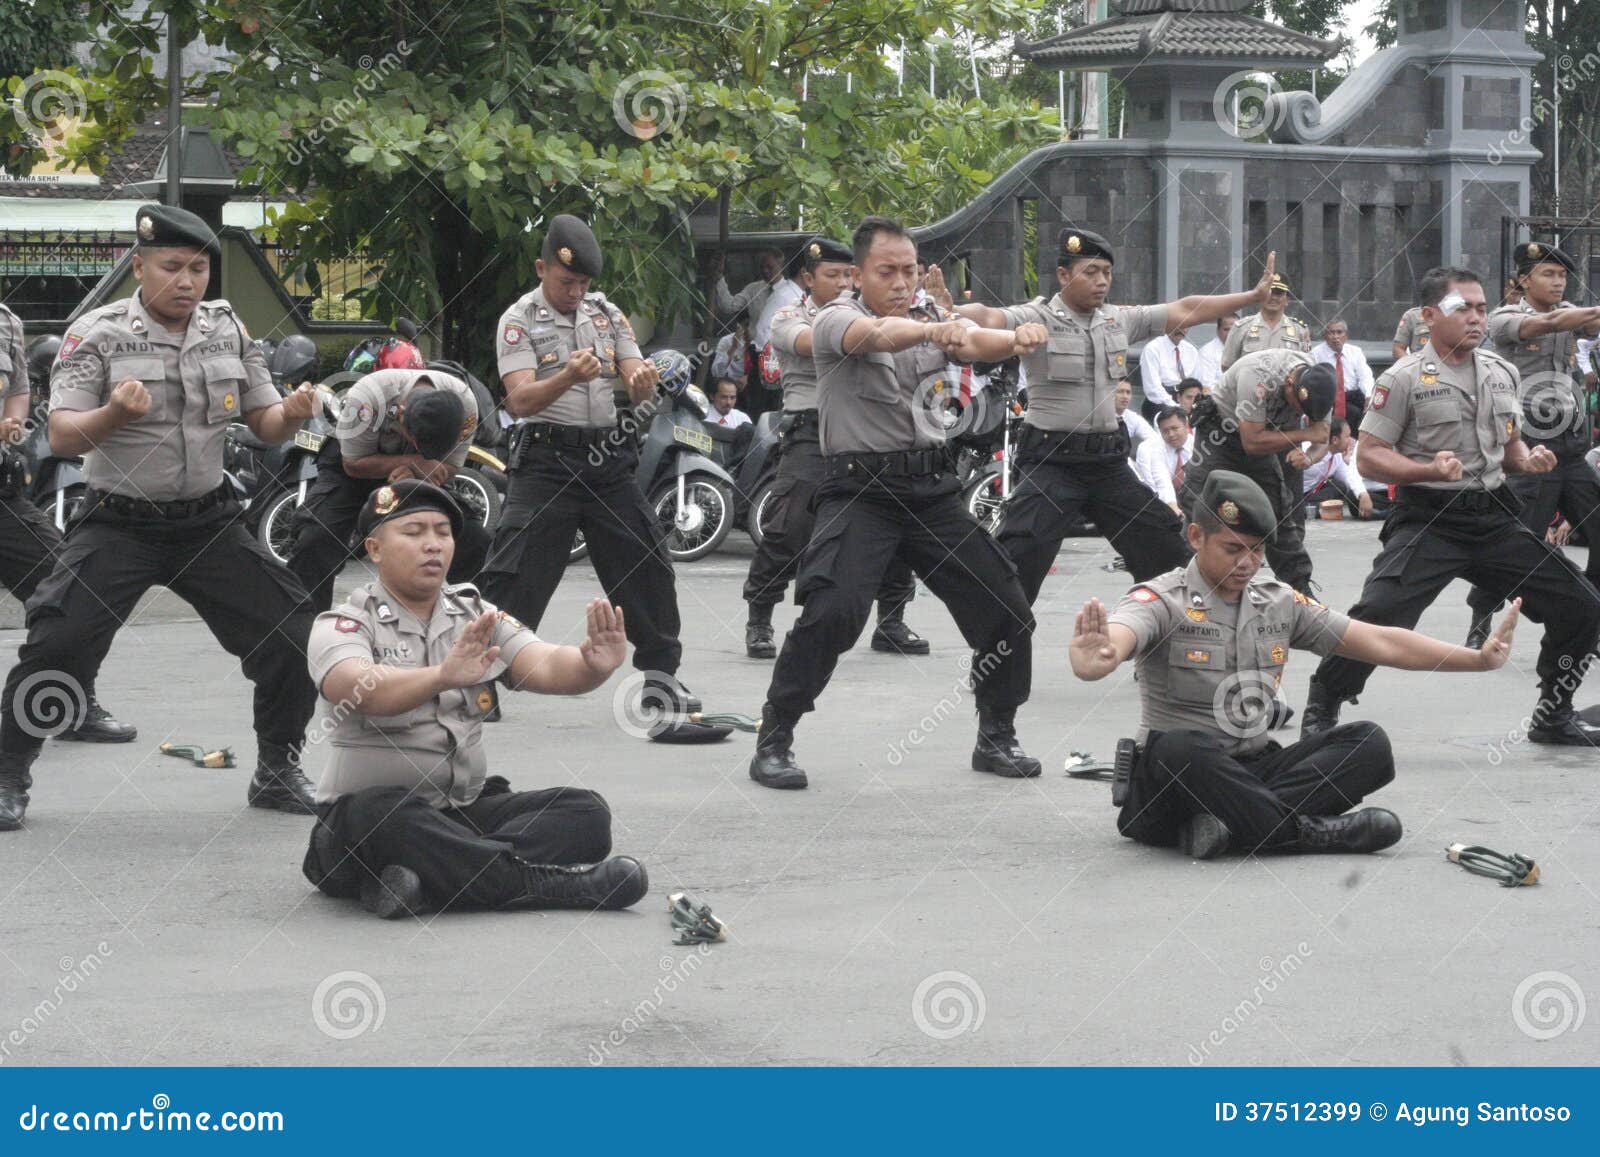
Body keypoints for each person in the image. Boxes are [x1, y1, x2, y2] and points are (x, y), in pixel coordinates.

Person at [0, 204, 324, 830]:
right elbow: (64, 437)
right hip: (118, 523)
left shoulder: (227, 329)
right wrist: (114, 417)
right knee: (60, 643)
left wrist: (295, 410)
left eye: (199, 268)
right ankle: (8, 772)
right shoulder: (96, 333)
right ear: (139, 266)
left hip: (207, 523)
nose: (187, 280)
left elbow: (263, 421)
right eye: (172, 266)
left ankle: (278, 769)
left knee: (293, 635)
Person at [1070, 470, 1520, 859]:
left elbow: (1380, 641)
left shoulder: (1278, 601)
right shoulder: (1161, 600)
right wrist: (1097, 657)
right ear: (1195, 536)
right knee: (1180, 748)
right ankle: (1303, 832)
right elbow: (1120, 634)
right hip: (1174, 785)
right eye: (1233, 549)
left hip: (1249, 770)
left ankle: (1237, 825)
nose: (1248, 562)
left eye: (1258, 549)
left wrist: (1476, 661)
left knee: (1369, 744)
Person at [748, 216, 1041, 790]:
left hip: (932, 492)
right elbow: (876, 338)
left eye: (909, 270)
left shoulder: (933, 318)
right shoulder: (836, 316)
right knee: (833, 612)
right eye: (888, 271)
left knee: (1006, 605)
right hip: (860, 491)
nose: (903, 281)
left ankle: (996, 734)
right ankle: (775, 735)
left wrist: (1014, 340)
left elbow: (972, 340)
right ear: (858, 275)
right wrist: (933, 333)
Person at [952, 226, 1277, 739]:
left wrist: (1252, 297)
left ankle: (1208, 686)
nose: (1101, 281)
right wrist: (953, 315)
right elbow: (986, 319)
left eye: (1107, 273)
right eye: (1090, 273)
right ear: (1063, 275)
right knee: (1009, 589)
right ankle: (996, 728)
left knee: (1178, 565)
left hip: (1107, 465)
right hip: (1050, 464)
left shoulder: (1117, 321)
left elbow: (1185, 308)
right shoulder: (1035, 317)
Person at [301, 480, 648, 918]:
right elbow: (353, 686)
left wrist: (591, 665)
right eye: (414, 532)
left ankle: (433, 881)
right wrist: (441, 676)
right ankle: (553, 885)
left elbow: (541, 662)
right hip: (362, 827)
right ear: (375, 549)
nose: (433, 545)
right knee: (381, 813)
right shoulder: (345, 622)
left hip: (457, 812)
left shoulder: (474, 613)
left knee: (585, 813)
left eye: (442, 532)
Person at [1302, 265, 1600, 746]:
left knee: (1583, 606)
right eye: (1463, 307)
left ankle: (1553, 712)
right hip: (1428, 520)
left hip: (1493, 519)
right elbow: (1370, 456)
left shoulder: (1502, 372)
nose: (1476, 317)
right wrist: (1426, 470)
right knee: (1378, 614)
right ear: (1428, 316)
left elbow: (1510, 449)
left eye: (1482, 308)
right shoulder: (1401, 378)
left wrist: (1531, 460)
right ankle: (1324, 705)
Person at [480, 216, 721, 742]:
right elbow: (519, 399)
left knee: (646, 565)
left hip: (607, 460)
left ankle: (661, 683)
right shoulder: (518, 320)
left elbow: (636, 381)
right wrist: (566, 373)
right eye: (567, 282)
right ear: (543, 268)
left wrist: (641, 380)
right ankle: (478, 682)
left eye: (583, 283)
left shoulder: (607, 313)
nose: (576, 292)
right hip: (546, 460)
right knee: (515, 571)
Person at [742, 237, 926, 661]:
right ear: (808, 278)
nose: (844, 283)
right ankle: (760, 618)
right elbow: (816, 342)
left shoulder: (876, 315)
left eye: (849, 274)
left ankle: (892, 620)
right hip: (812, 433)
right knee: (789, 528)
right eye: (833, 275)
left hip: (868, 434)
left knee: (896, 521)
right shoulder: (790, 316)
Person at [0, 308, 134, 744]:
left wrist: (14, 420)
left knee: (67, 588)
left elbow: (18, 387)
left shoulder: (7, 320)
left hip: (3, 497)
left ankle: (69, 705)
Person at [1462, 243, 1600, 647]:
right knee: (1518, 539)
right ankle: (1481, 614)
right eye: (1548, 274)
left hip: (1570, 447)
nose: (1558, 282)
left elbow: (1586, 324)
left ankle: (1589, 614)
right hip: (1526, 447)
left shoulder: (1576, 312)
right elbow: (1549, 323)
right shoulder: (1505, 317)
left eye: (1562, 275)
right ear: (1524, 280)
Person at [285, 367, 486, 612]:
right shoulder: (368, 397)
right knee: (315, 539)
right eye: (419, 445)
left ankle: (463, 624)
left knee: (475, 539)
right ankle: (302, 630)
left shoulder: (466, 406)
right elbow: (353, 464)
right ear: (400, 415)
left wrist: (416, 470)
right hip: (354, 469)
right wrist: (414, 463)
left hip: (424, 476)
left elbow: (450, 466)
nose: (422, 453)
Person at [1182, 349, 1335, 596]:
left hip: (1269, 436)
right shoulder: (1259, 376)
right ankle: (1187, 586)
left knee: (1278, 510)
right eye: (1298, 408)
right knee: (1199, 503)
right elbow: (1252, 442)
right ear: (1289, 385)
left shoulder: (1320, 384)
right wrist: (1304, 434)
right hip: (1221, 434)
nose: (1301, 414)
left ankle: (1300, 587)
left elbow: (1322, 437)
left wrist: (1308, 455)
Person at [1220, 275, 1312, 369]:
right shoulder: (1241, 328)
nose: (1273, 297)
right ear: (1260, 297)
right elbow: (1226, 367)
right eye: (1269, 292)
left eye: (1278, 293)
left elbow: (1306, 367)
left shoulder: (1300, 330)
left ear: (1287, 300)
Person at [1301, 418, 1374, 519]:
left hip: (1311, 495)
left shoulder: (1338, 456)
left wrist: (1349, 462)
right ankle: (1305, 510)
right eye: (1347, 436)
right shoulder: (1306, 451)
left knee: (1339, 486)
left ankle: (1311, 509)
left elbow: (1348, 481)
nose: (1351, 440)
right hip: (1294, 495)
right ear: (1335, 440)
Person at [1312, 318, 1374, 429]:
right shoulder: (1315, 354)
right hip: (1328, 401)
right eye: (1331, 332)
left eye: (1339, 332)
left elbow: (1365, 376)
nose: (1336, 336)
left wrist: (1368, 395)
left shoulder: (1355, 352)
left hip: (1351, 398)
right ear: (1325, 336)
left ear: (1346, 335)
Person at [1133, 405, 1192, 515]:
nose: (1171, 435)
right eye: (1165, 431)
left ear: (1186, 426)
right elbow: (1162, 480)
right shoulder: (1153, 448)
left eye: (1175, 428)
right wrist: (1173, 508)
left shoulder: (1197, 445)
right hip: (1161, 502)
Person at [1137, 326, 1200, 418]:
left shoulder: (1192, 350)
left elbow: (1195, 384)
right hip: (1160, 401)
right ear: (1169, 323)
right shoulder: (1152, 348)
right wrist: (1177, 408)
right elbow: (1153, 389)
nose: (1180, 329)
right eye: (1177, 324)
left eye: (1186, 326)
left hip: (1185, 398)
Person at [1195, 313, 1235, 389]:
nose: (1231, 333)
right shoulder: (1207, 352)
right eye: (1226, 329)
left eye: (1235, 329)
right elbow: (1207, 386)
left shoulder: (1246, 348)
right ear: (1218, 331)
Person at [1114, 379, 1156, 451]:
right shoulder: (1097, 416)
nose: (1125, 396)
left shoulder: (1133, 417)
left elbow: (1154, 439)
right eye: (1120, 392)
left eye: (1128, 392)